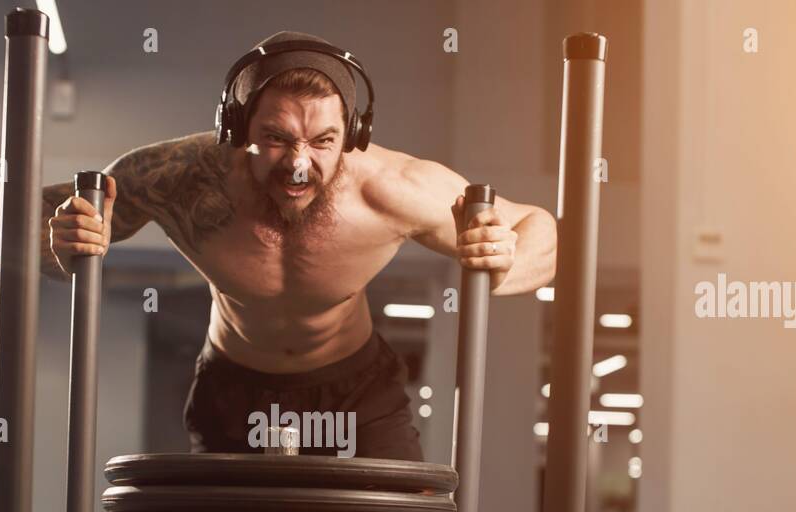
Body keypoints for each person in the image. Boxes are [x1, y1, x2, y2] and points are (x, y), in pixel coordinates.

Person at [42, 31, 555, 461]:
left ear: (351, 135)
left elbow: (542, 230)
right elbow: (40, 226)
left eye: (323, 141)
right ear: (240, 128)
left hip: (357, 393)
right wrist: (62, 243)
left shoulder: (392, 189)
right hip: (232, 389)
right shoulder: (179, 178)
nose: (299, 163)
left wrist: (503, 260)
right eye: (278, 137)